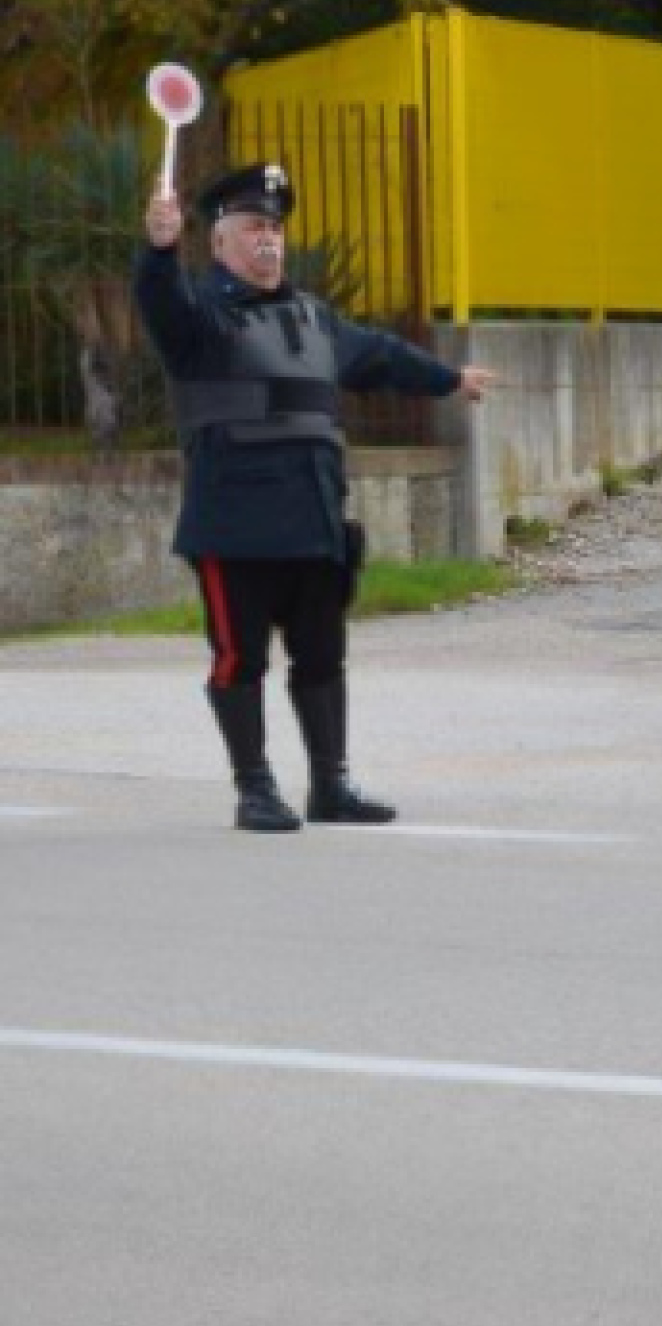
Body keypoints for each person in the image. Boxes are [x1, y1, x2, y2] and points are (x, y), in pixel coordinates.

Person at [136, 162, 494, 833]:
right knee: (240, 658)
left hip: (314, 520)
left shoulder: (315, 319)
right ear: (218, 243)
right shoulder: (198, 320)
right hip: (234, 528)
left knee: (323, 657)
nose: (267, 240)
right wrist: (158, 249)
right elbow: (158, 300)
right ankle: (255, 789)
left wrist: (448, 378)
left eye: (274, 228)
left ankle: (330, 785)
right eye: (251, 229)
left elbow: (383, 355)